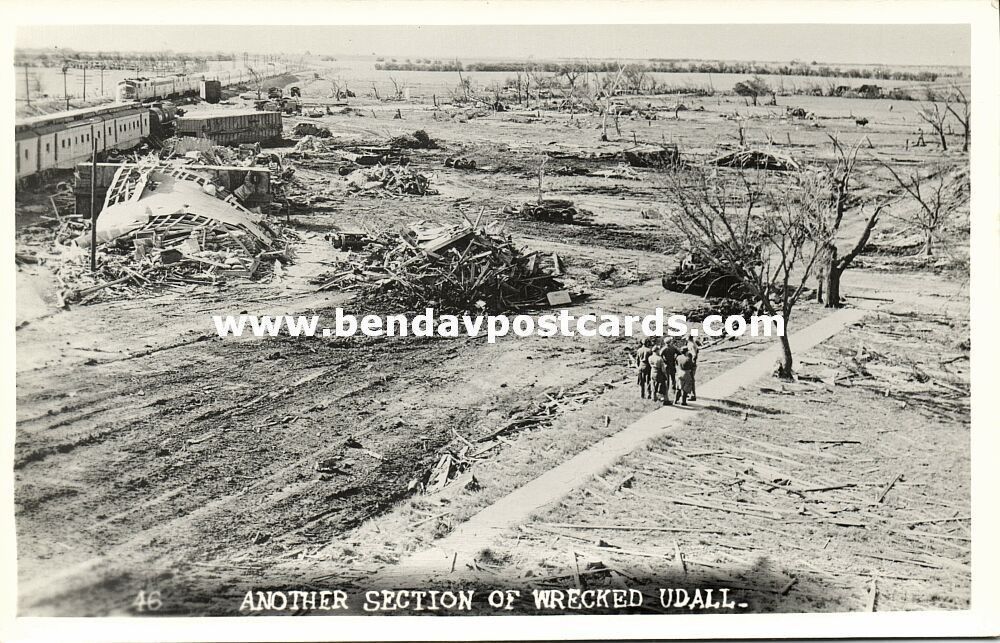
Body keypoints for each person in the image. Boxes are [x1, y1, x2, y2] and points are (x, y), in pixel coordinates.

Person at [685, 334, 701, 402]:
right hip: (691, 363)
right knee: (689, 379)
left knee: (691, 380)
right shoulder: (692, 343)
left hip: (691, 365)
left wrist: (692, 363)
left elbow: (694, 355)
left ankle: (693, 395)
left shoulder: (691, 344)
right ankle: (690, 393)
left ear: (689, 338)